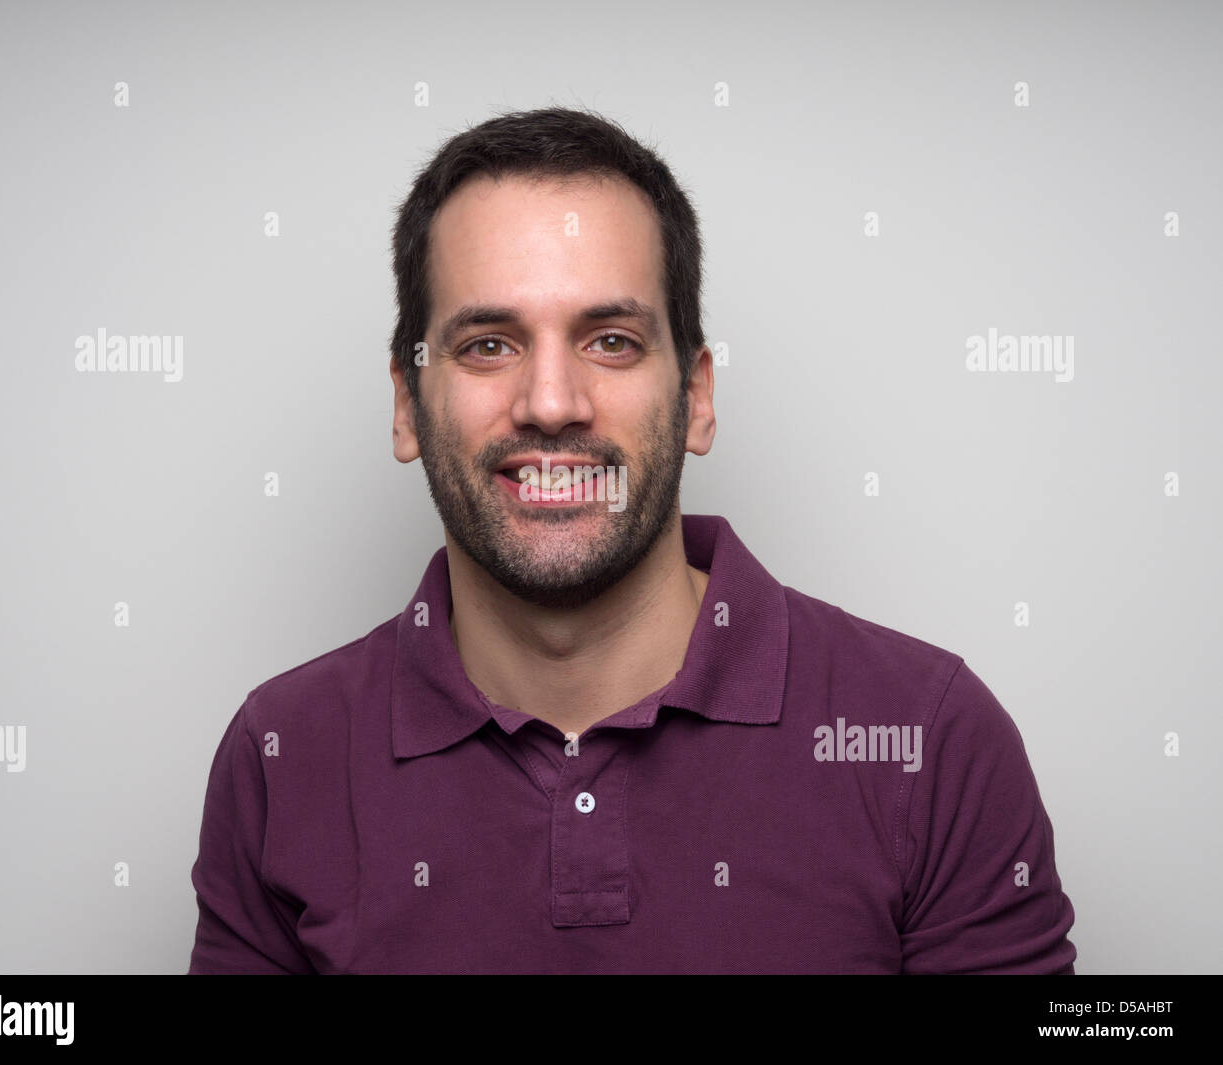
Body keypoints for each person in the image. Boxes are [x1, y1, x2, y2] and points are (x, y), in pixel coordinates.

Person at [187, 107, 1077, 974]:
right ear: (404, 402)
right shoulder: (280, 754)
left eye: (610, 340)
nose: (550, 402)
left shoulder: (925, 735)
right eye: (488, 344)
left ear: (695, 396)